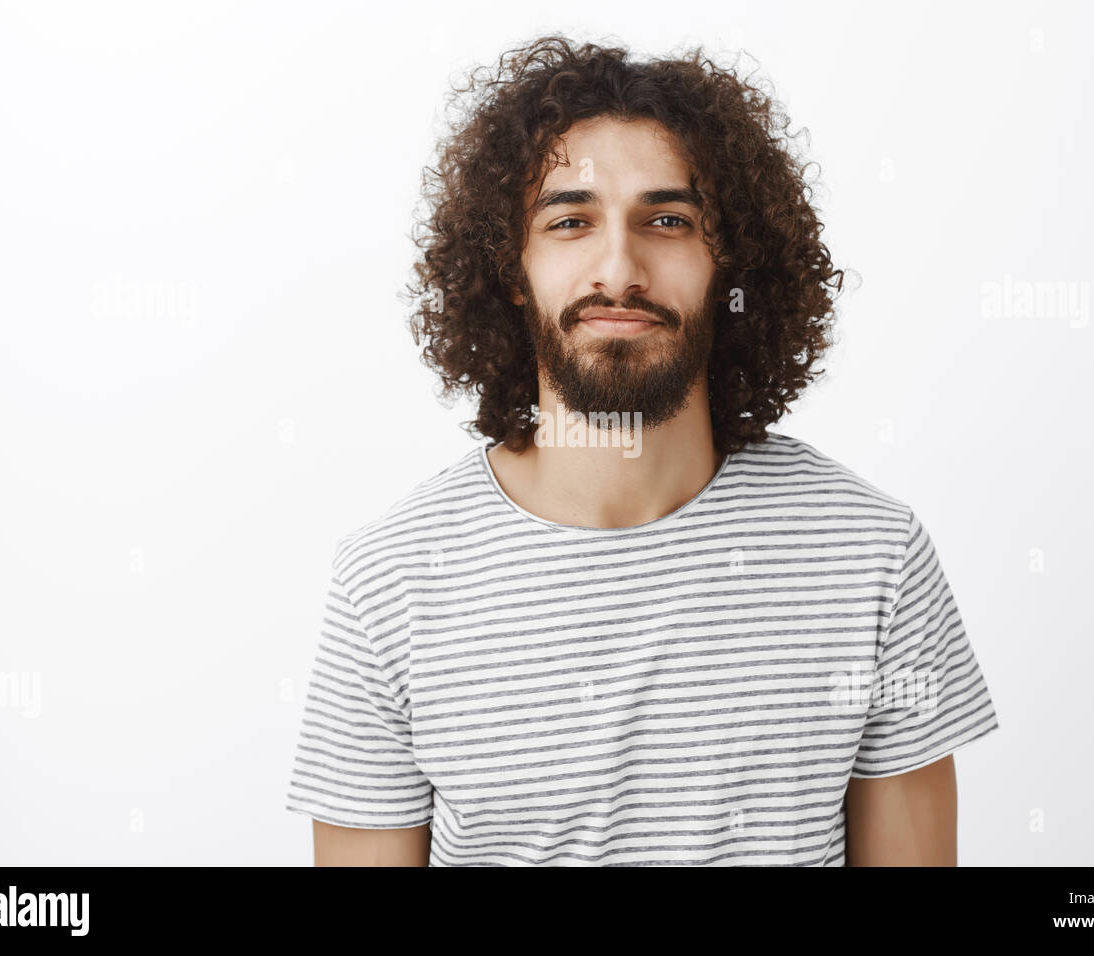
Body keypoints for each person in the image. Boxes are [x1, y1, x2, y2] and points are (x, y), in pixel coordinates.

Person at [284, 34, 1000, 866]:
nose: (618, 269)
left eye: (667, 221)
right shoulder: (391, 583)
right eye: (569, 221)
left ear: (729, 264)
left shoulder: (871, 558)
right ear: (511, 269)